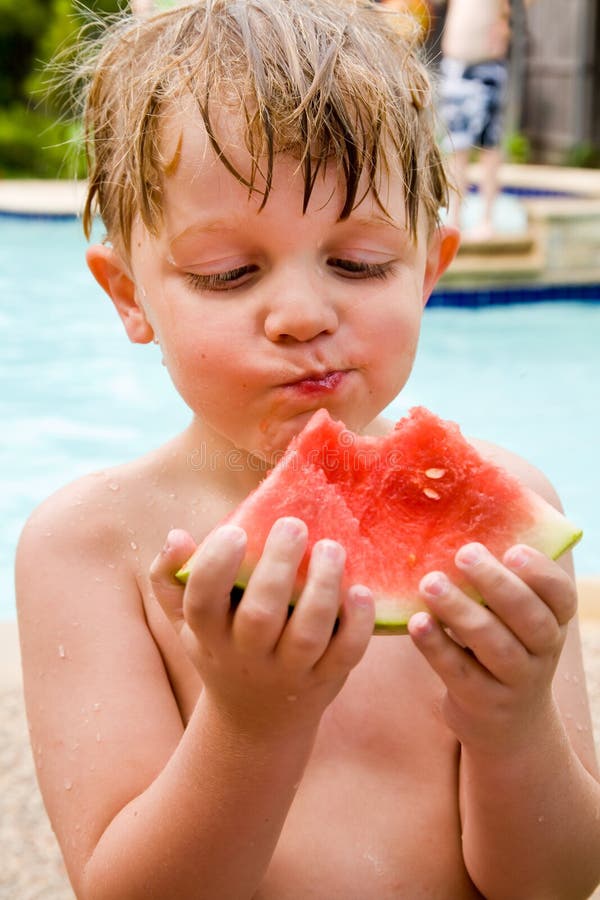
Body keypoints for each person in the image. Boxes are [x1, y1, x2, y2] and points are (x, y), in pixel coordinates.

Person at [16, 1, 600, 897]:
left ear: (430, 269)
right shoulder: (89, 549)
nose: (302, 316)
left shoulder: (515, 502)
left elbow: (551, 882)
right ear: (128, 295)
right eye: (228, 274)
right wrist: (250, 727)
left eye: (360, 264)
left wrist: (513, 724)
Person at [437, 0, 530, 238]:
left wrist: (504, 19)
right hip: (455, 67)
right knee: (455, 146)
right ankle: (454, 218)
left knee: (489, 145)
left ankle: (486, 219)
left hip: (487, 66)